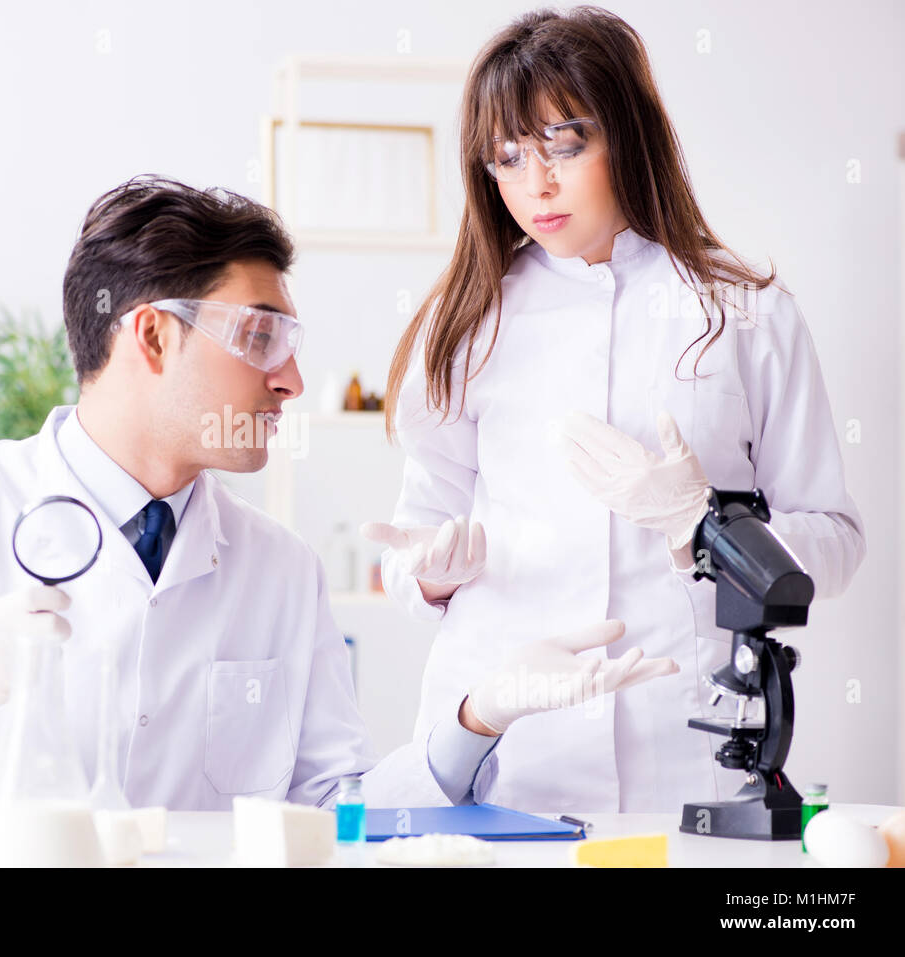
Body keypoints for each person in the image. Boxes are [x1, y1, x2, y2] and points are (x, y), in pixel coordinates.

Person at [0, 176, 676, 812]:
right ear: (151, 337)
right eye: (261, 339)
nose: (289, 381)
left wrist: (476, 717)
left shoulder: (279, 574)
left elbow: (334, 814)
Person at [364, 7, 866, 814]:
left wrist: (702, 529)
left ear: (629, 134)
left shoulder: (744, 313)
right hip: (507, 757)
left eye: (566, 142)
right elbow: (413, 533)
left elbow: (834, 544)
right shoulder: (467, 320)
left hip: (684, 758)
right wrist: (427, 574)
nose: (538, 183)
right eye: (508, 156)